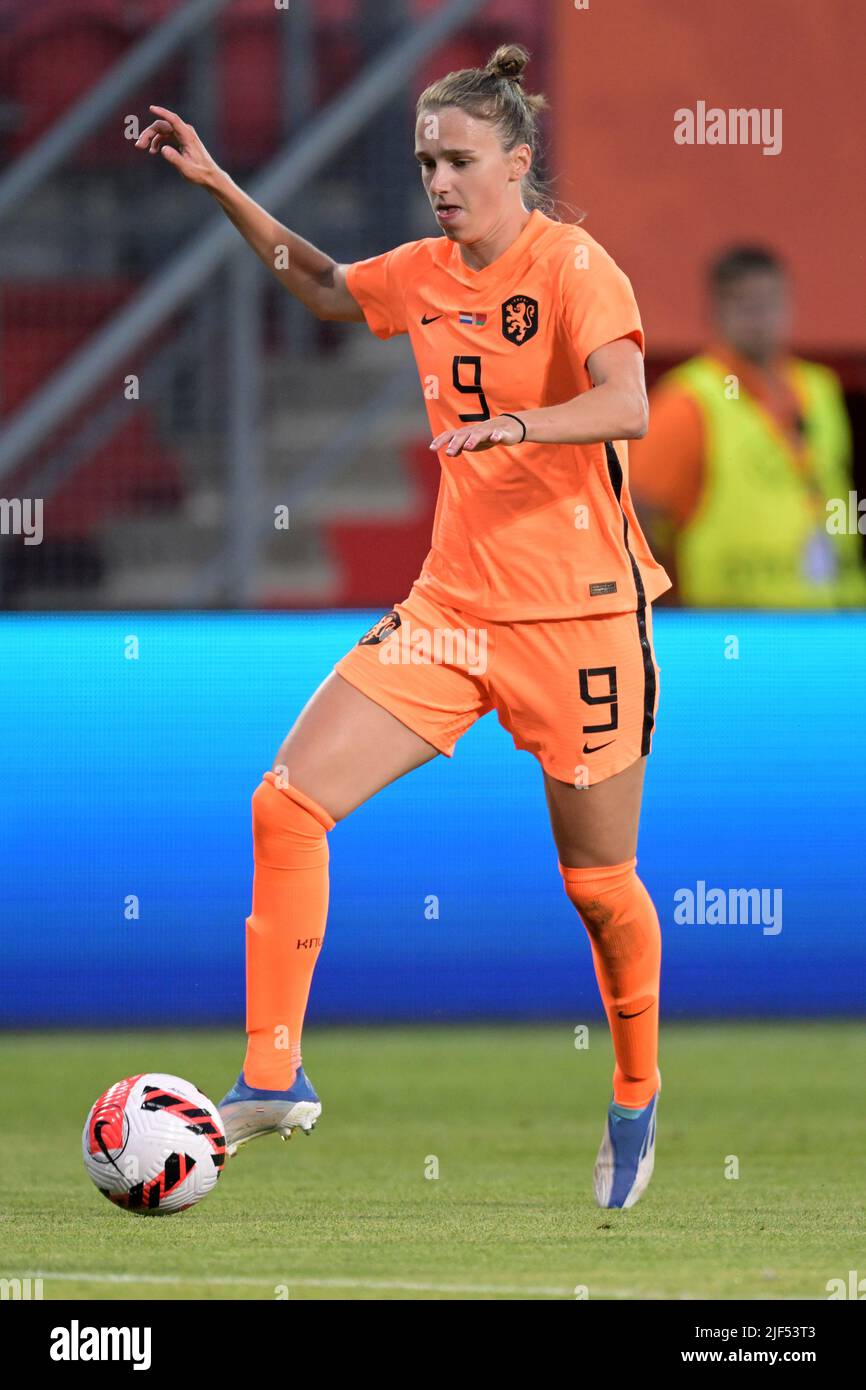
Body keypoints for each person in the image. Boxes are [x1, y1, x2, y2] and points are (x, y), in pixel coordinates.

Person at [135, 42, 672, 1209]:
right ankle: (271, 1077)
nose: (437, 179)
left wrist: (519, 431)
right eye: (424, 158)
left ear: (517, 163)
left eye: (459, 158)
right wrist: (223, 184)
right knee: (284, 802)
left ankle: (634, 1088)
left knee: (596, 886)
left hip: (581, 621)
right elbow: (327, 285)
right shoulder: (424, 271)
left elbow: (628, 398)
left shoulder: (576, 265)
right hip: (451, 611)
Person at [629, 245, 866, 606]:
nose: (761, 317)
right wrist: (674, 611)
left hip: (831, 618)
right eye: (745, 305)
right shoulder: (689, 398)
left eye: (770, 302)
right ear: (715, 312)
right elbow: (639, 515)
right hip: (732, 624)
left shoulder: (821, 389)